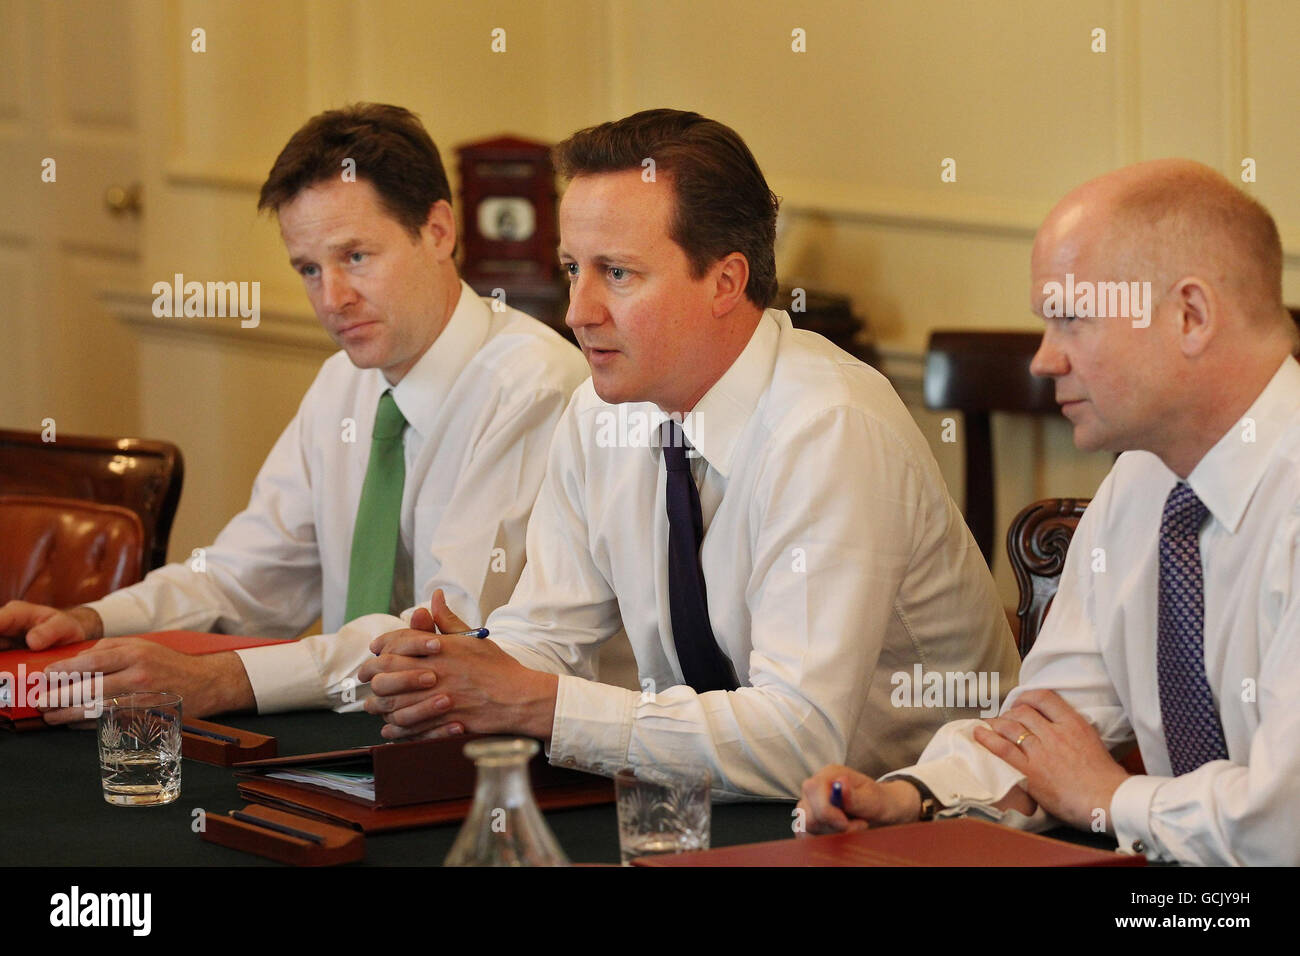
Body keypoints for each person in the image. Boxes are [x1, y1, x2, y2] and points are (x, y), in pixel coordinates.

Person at [358, 109, 1019, 800]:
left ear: (726, 282)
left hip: (915, 826)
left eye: (616, 273)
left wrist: (535, 704)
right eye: (571, 269)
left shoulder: (829, 428)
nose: (579, 310)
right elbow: (550, 631)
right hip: (712, 811)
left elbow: (799, 739)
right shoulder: (600, 411)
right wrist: (460, 671)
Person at [0, 103, 587, 721]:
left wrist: (223, 679)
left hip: (499, 755)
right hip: (354, 734)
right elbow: (241, 579)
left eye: (356, 256)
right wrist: (87, 621)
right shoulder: (343, 384)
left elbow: (449, 640)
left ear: (439, 231)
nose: (332, 299)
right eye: (309, 269)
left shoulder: (533, 387)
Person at [797, 159, 1300, 864]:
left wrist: (1109, 797)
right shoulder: (1144, 482)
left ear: (1190, 316)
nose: (1043, 359)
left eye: (1070, 319)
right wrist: (912, 797)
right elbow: (1046, 729)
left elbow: (1287, 821)